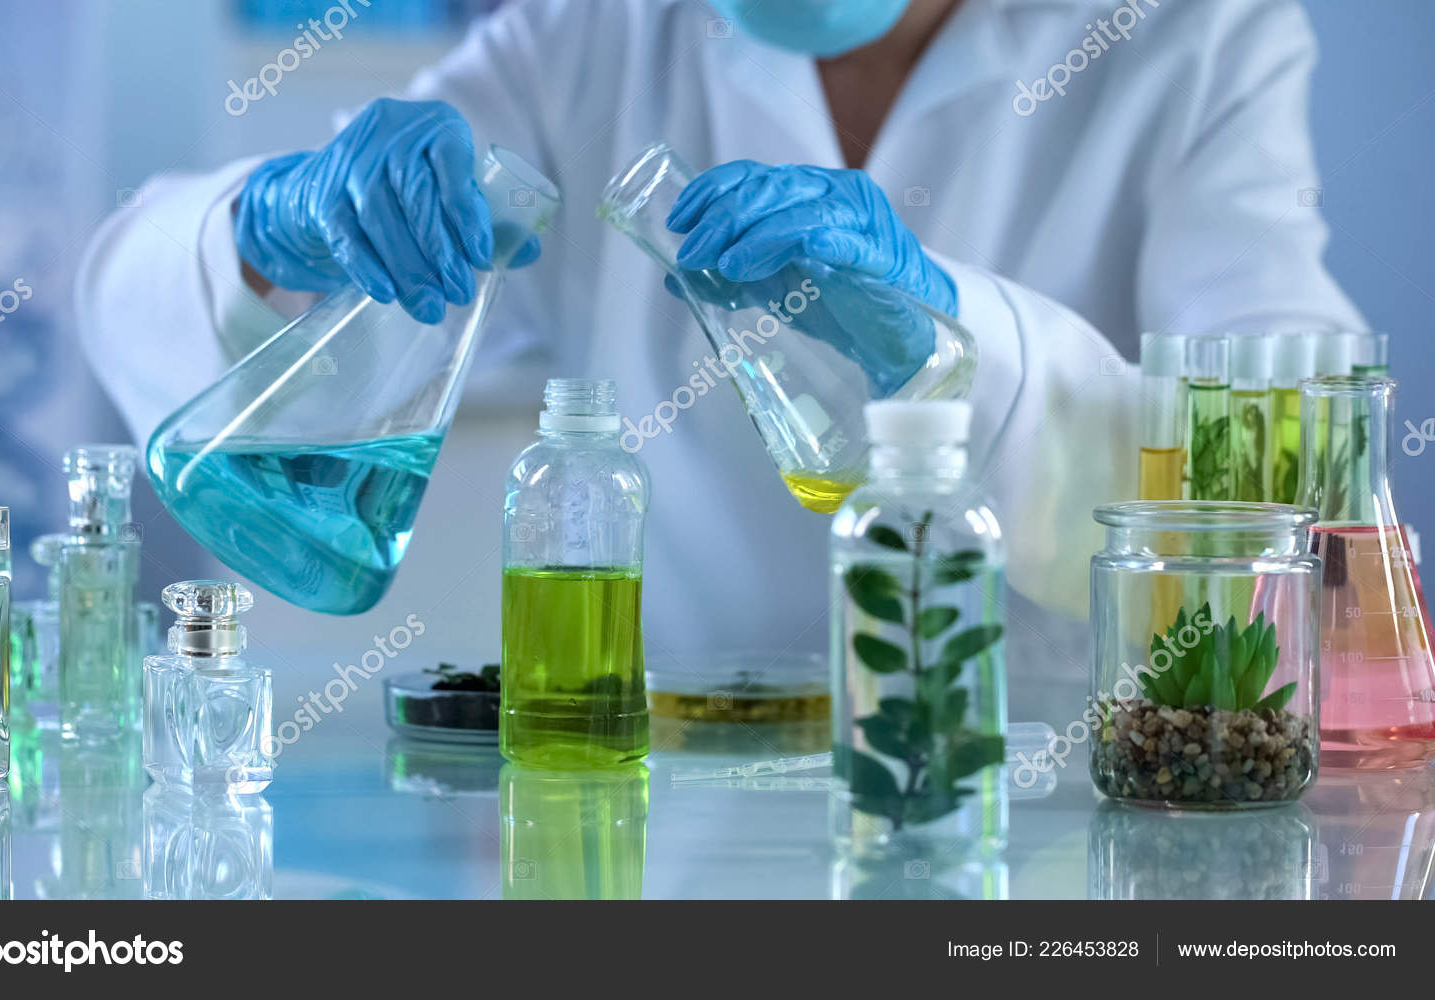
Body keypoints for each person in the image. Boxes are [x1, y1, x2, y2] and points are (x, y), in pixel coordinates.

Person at [77, 0, 1363, 726]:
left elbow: (1306, 500)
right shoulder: (589, 36)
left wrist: (959, 348)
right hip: (672, 809)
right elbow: (136, 281)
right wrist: (263, 231)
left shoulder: (1198, 35)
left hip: (1044, 811)